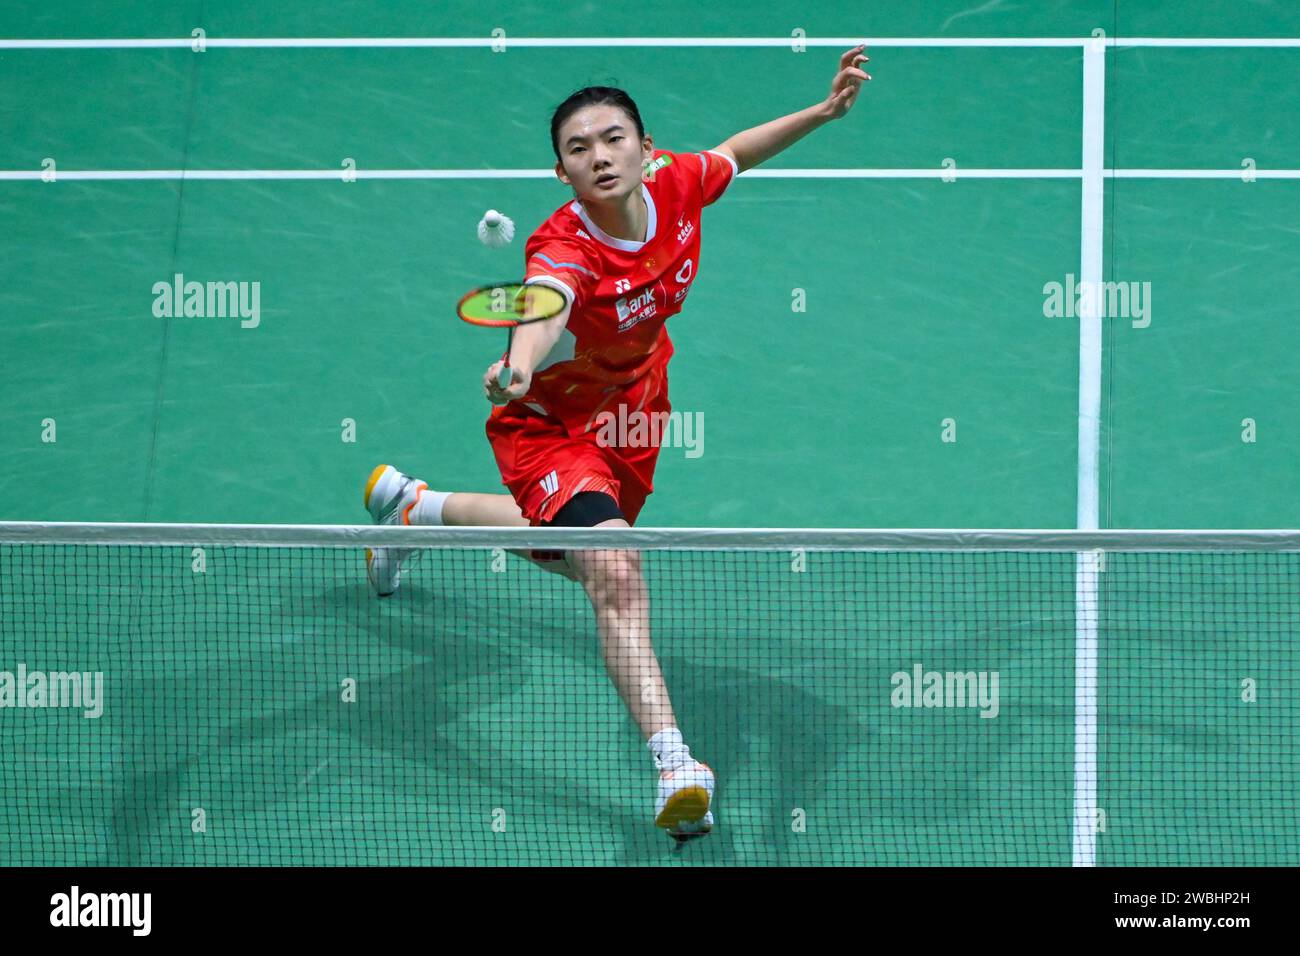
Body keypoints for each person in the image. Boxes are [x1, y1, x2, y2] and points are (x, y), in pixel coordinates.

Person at [363, 47, 870, 842]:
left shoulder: (675, 184)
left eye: (612, 139)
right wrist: (520, 369)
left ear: (645, 147)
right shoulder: (563, 248)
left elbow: (735, 153)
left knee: (579, 556)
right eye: (577, 148)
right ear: (560, 172)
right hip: (549, 424)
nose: (599, 156)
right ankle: (677, 764)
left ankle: (418, 511)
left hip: (634, 409)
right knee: (616, 570)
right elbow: (547, 307)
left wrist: (824, 111)